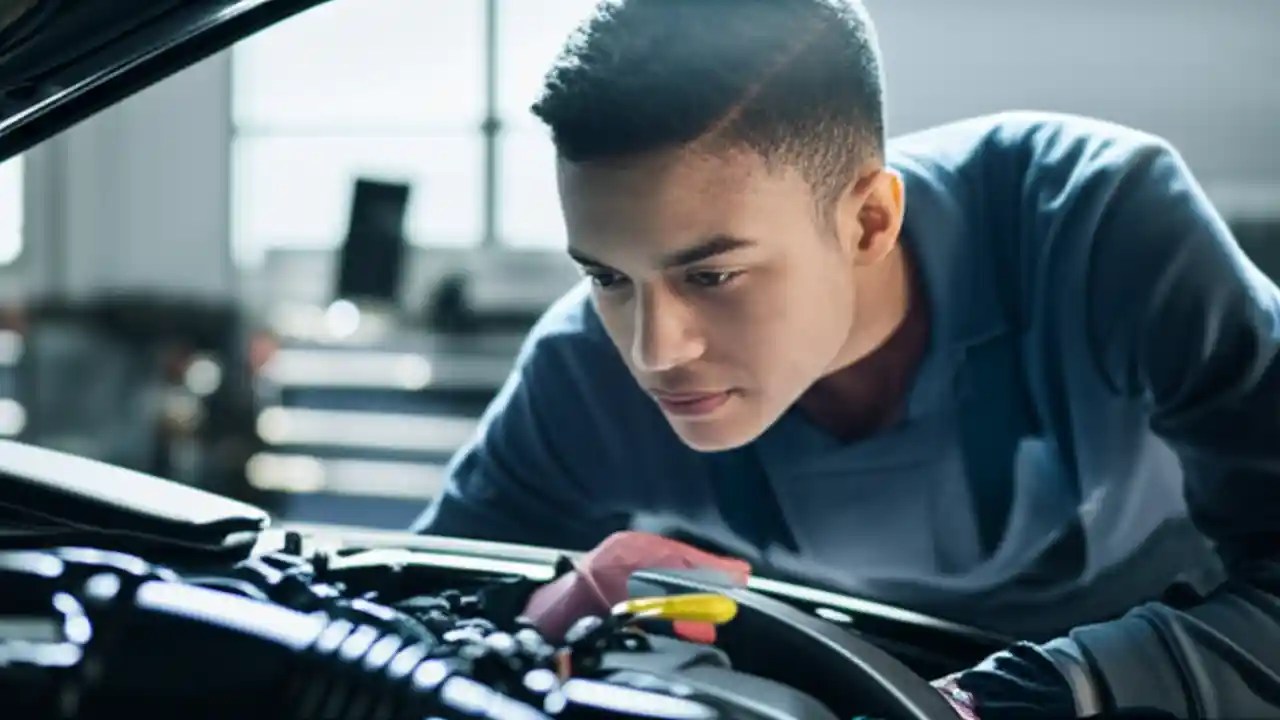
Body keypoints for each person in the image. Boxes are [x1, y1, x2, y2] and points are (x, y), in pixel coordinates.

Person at [413, 0, 1280, 716]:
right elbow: (406, 607)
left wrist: (1029, 696)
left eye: (713, 274)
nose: (653, 350)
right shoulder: (581, 366)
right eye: (607, 276)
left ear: (870, 221)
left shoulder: (1099, 225)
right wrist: (540, 606)